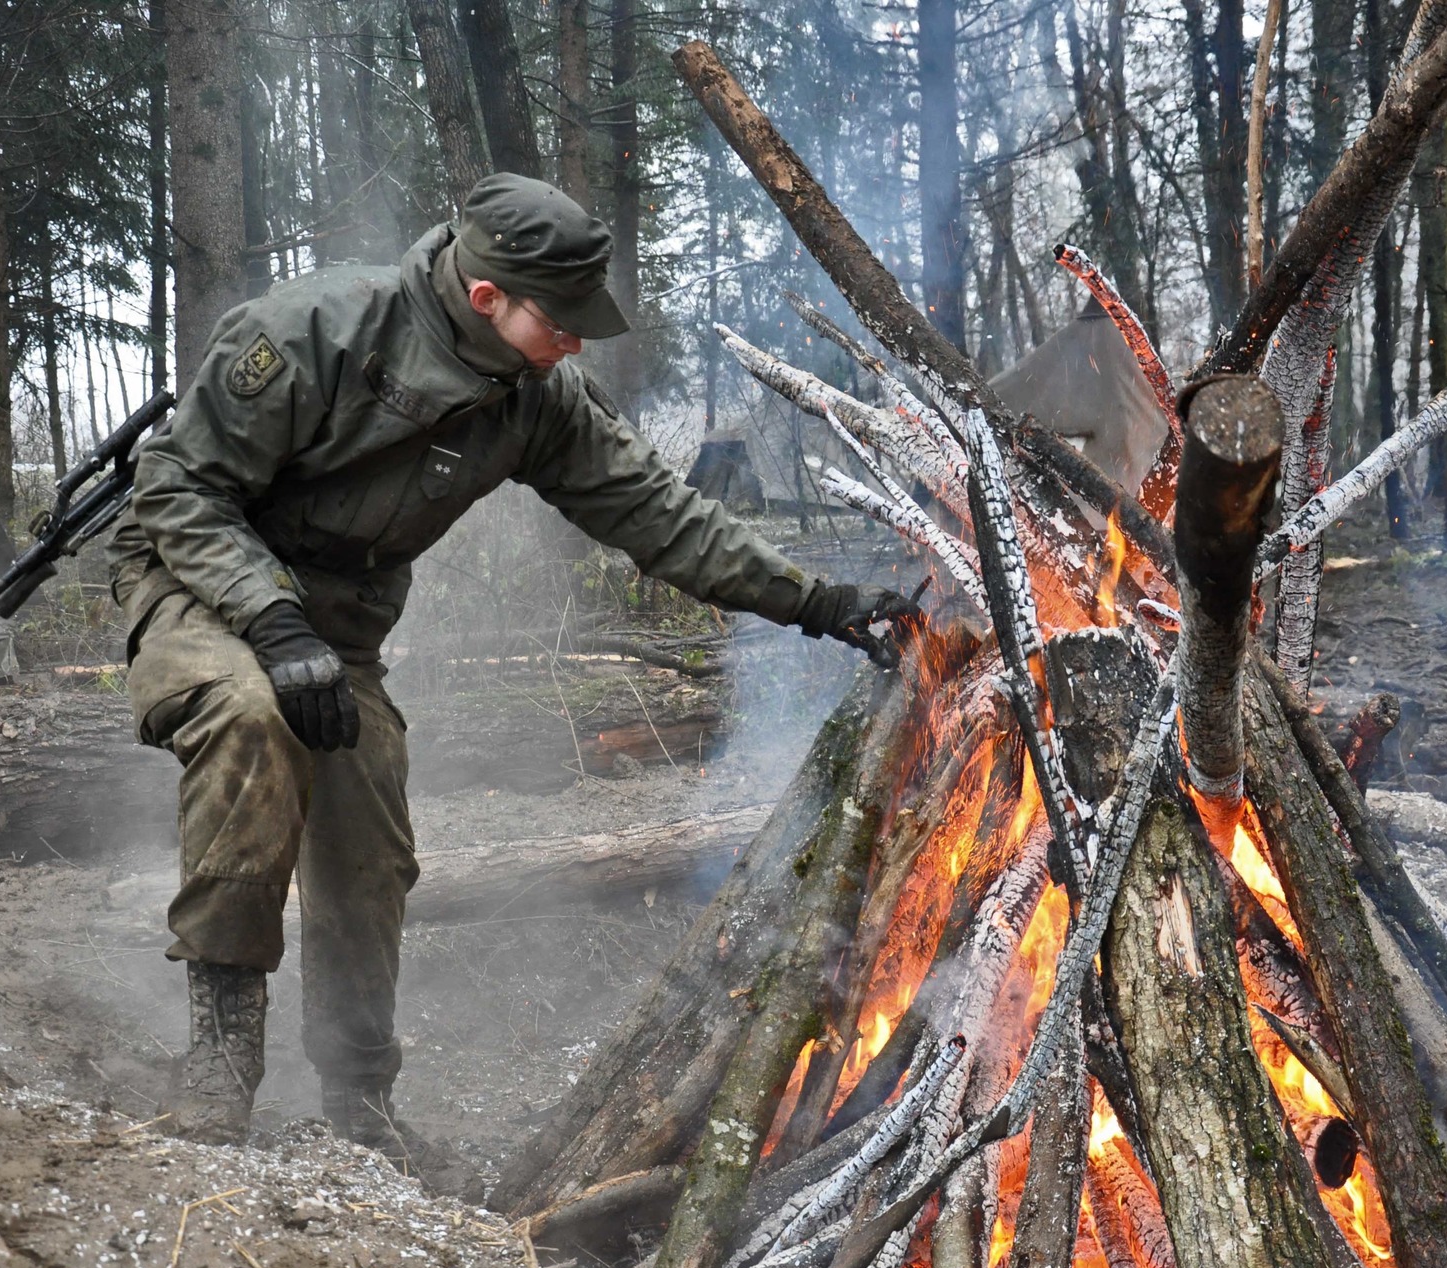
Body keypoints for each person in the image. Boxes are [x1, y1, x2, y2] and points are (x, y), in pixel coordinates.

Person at [107, 174, 921, 1200]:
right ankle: (219, 1064)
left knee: (366, 837)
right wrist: (269, 619)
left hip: (336, 631)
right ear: (485, 295)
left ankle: (359, 1108)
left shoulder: (537, 399)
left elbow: (659, 514)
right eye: (559, 319)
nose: (576, 341)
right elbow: (178, 488)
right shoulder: (314, 329)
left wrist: (817, 599)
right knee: (250, 718)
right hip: (201, 586)